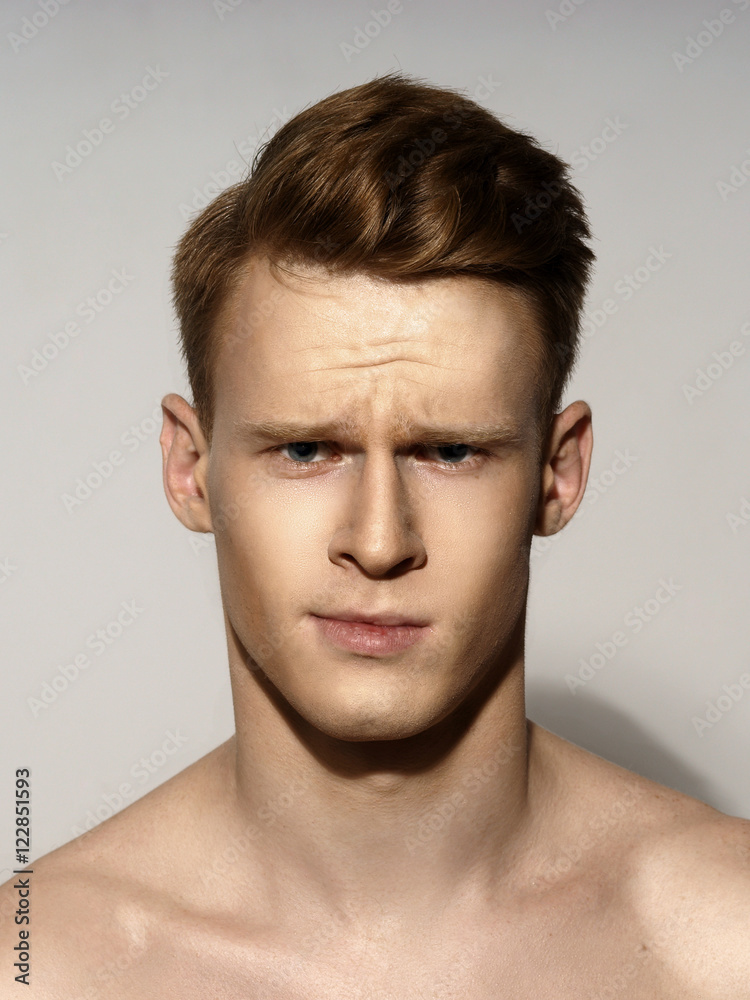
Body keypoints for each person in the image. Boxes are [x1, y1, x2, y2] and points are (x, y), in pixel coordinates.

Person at [3, 71, 749, 998]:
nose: (380, 539)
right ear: (188, 468)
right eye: (307, 449)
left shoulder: (728, 941)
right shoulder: (35, 968)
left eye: (450, 451)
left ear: (559, 475)